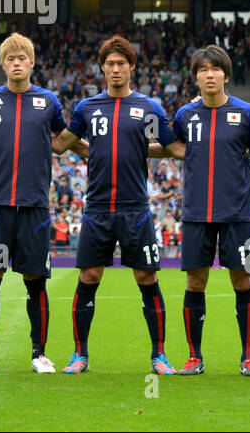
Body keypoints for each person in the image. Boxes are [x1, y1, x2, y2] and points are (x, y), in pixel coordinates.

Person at [51, 35, 179, 375]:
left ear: (132, 67)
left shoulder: (148, 108)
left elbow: (169, 147)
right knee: (90, 275)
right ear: (102, 67)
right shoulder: (87, 108)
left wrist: (143, 149)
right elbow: (63, 144)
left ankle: (159, 355)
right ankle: (79, 355)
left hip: (136, 206)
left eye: (122, 63)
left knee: (146, 277)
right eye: (110, 63)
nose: (116, 68)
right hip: (97, 207)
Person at [0, 33, 84, 374]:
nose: (17, 63)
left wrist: (105, 147)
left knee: (36, 282)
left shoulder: (48, 101)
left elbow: (62, 143)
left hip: (34, 208)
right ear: (3, 65)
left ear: (31, 63)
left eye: (22, 58)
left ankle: (39, 353)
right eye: (10, 59)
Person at [155, 44, 250, 376]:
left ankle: (248, 357)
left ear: (226, 74)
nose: (209, 74)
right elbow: (172, 147)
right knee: (195, 282)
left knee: (243, 280)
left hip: (236, 214)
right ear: (196, 77)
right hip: (195, 213)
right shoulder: (186, 115)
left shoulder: (247, 113)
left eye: (214, 68)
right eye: (202, 69)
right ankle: (194, 356)